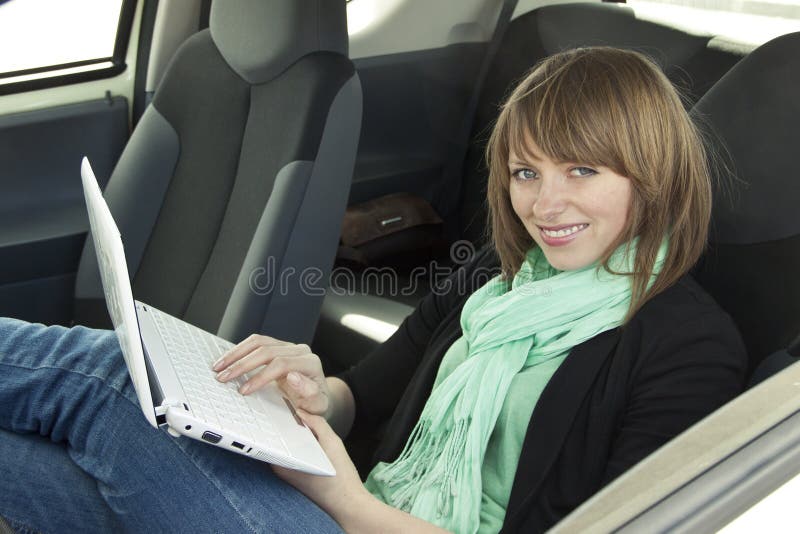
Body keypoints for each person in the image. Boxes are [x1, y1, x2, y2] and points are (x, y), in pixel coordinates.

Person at [0, 47, 746, 533]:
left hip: (357, 518)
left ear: (650, 174)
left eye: (582, 171)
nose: (544, 205)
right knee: (40, 463)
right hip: (356, 508)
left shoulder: (690, 348)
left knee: (116, 390)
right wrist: (313, 390)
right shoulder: (499, 274)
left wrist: (348, 505)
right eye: (527, 173)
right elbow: (368, 394)